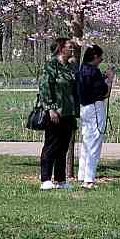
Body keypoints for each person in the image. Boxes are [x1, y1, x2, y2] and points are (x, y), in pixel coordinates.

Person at [39, 37, 80, 190]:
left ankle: (61, 180)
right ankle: (45, 179)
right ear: (61, 48)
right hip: (55, 112)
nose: (72, 49)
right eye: (69, 47)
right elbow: (45, 87)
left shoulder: (70, 67)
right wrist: (50, 108)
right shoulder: (51, 66)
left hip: (68, 113)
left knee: (63, 147)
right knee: (51, 146)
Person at [77, 44, 113, 189]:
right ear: (95, 57)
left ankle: (82, 174)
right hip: (95, 108)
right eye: (100, 57)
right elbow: (105, 92)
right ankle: (89, 179)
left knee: (86, 141)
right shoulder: (94, 72)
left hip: (84, 108)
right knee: (94, 142)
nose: (101, 60)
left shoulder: (82, 70)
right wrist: (109, 79)